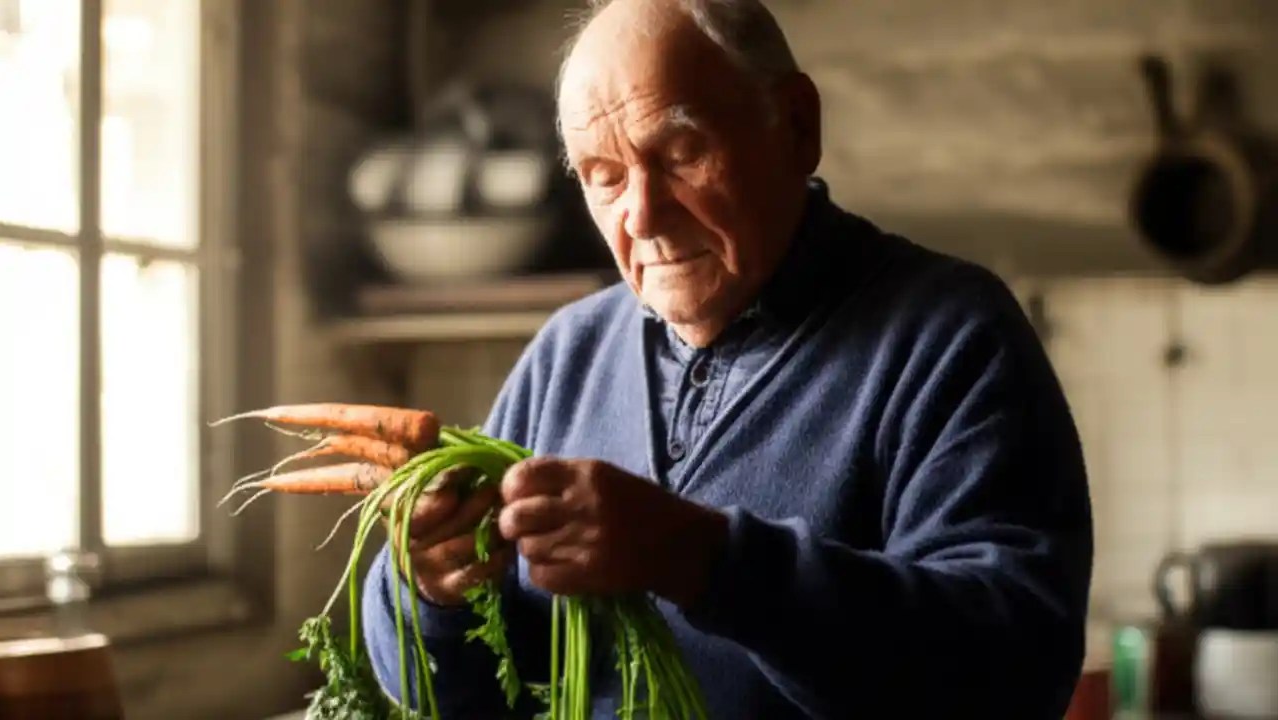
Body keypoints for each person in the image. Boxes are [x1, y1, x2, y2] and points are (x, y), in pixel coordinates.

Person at [362, 0, 1094, 717]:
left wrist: (703, 559)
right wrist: (432, 591)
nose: (641, 214)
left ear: (796, 128)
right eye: (604, 175)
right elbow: (452, 695)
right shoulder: (568, 353)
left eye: (681, 154)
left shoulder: (949, 337)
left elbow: (1013, 672)